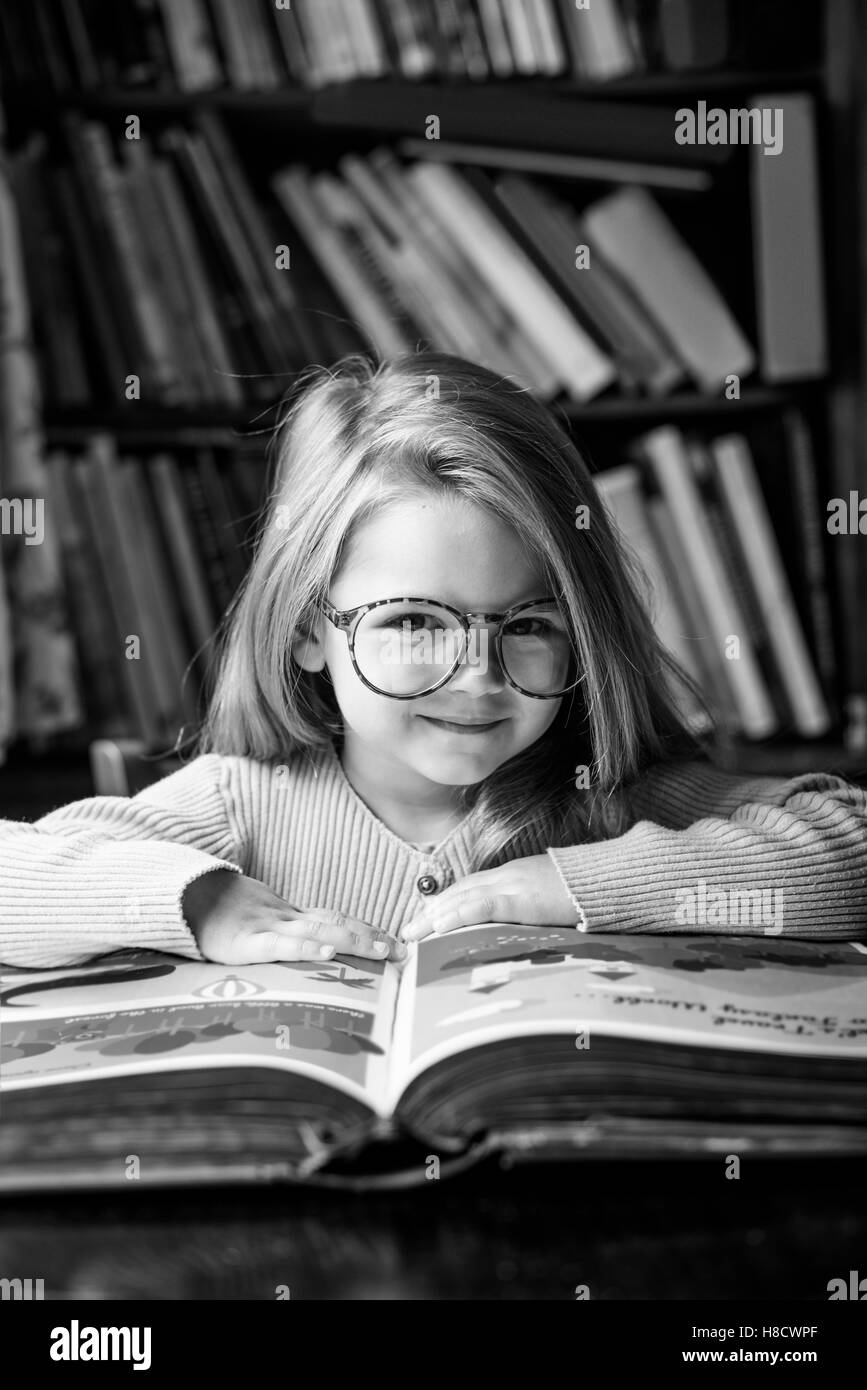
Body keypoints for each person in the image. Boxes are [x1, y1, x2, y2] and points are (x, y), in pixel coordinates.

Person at [2, 352, 866, 969]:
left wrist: (575, 884)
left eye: (529, 624)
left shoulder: (604, 793)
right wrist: (202, 902)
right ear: (308, 627)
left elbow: (851, 848)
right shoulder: (243, 804)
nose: (479, 677)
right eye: (414, 623)